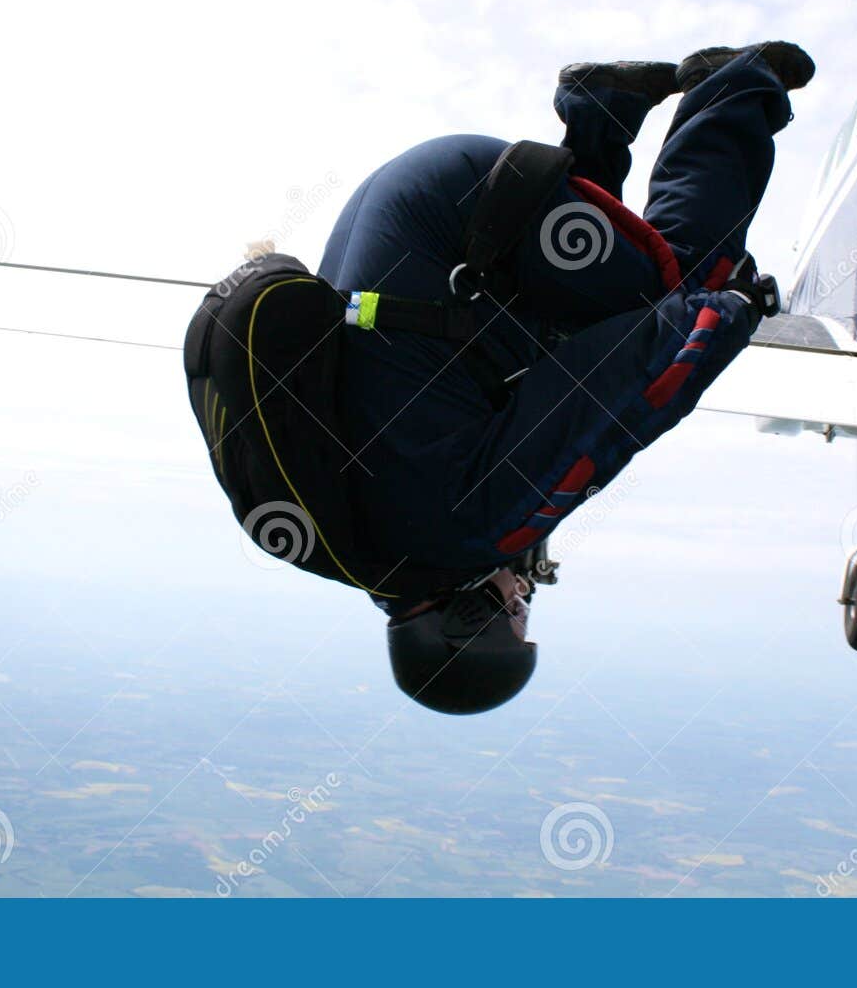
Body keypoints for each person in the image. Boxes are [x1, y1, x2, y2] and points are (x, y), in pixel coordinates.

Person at [315, 42, 813, 714]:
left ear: (468, 622)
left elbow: (611, 403)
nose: (524, 598)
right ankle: (602, 105)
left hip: (457, 210)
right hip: (415, 209)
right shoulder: (370, 545)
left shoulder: (469, 533)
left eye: (517, 616)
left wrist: (727, 315)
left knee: (680, 280)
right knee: (586, 310)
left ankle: (732, 89)